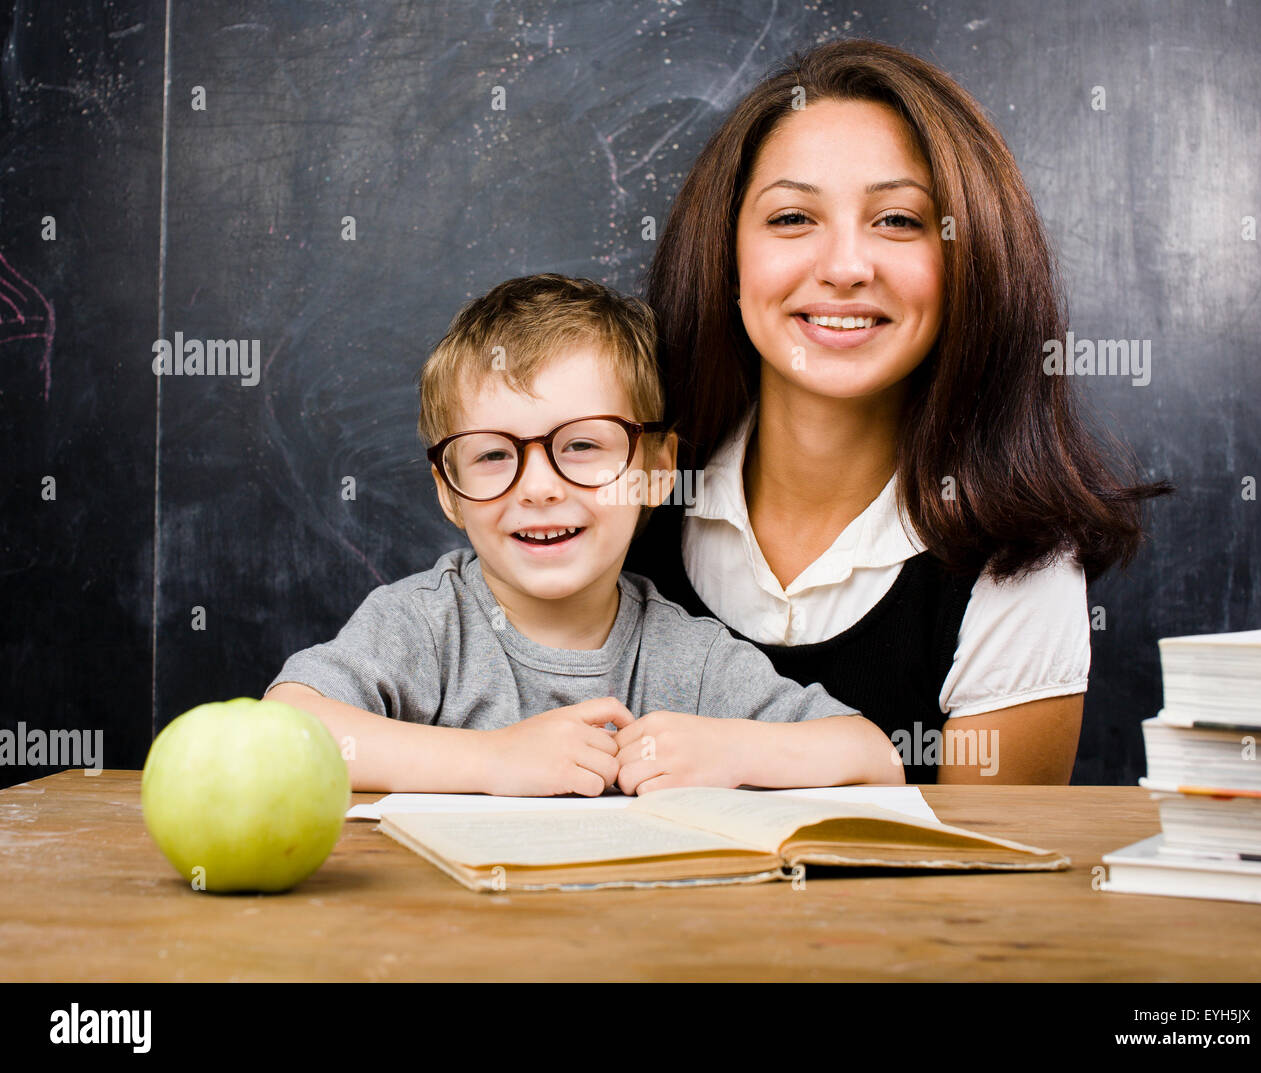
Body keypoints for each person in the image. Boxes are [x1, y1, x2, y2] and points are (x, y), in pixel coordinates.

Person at [624, 38, 1170, 785]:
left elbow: (982, 886)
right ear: (726, 259)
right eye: (791, 218)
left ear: (967, 262)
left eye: (900, 221)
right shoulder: (619, 497)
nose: (846, 267)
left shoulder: (1017, 564)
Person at [264, 274, 905, 794]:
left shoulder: (689, 657)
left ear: (656, 470)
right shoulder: (425, 628)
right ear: (448, 490)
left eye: (581, 445)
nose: (538, 487)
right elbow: (287, 727)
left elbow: (873, 755)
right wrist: (493, 762)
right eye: (492, 455)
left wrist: (736, 750)